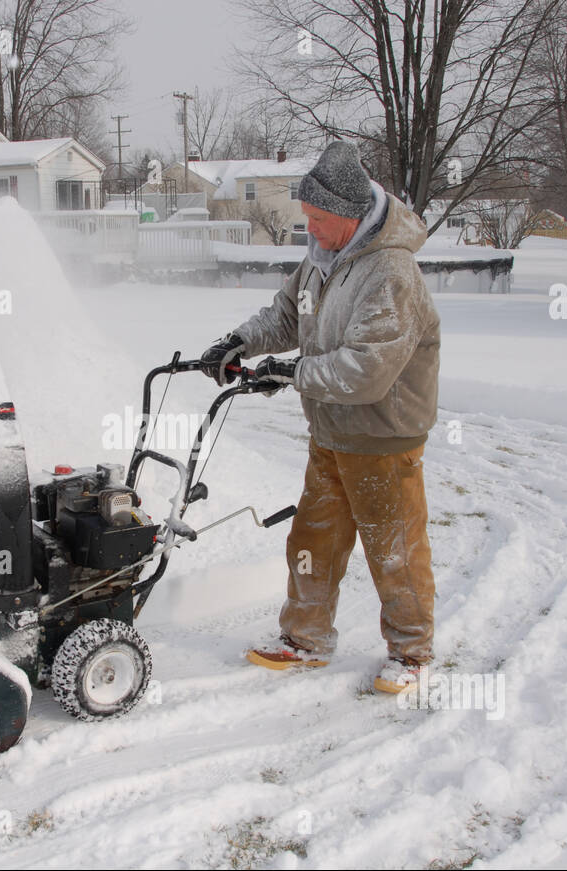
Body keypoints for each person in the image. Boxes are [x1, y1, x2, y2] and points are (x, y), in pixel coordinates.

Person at [200, 140, 441, 695]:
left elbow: (367, 371)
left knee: (393, 549)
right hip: (331, 431)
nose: (309, 230)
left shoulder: (391, 272)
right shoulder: (322, 260)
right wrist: (240, 342)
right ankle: (306, 638)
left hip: (383, 435)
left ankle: (412, 651)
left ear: (353, 216)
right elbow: (288, 315)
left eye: (318, 219)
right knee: (313, 539)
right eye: (306, 217)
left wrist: (288, 374)